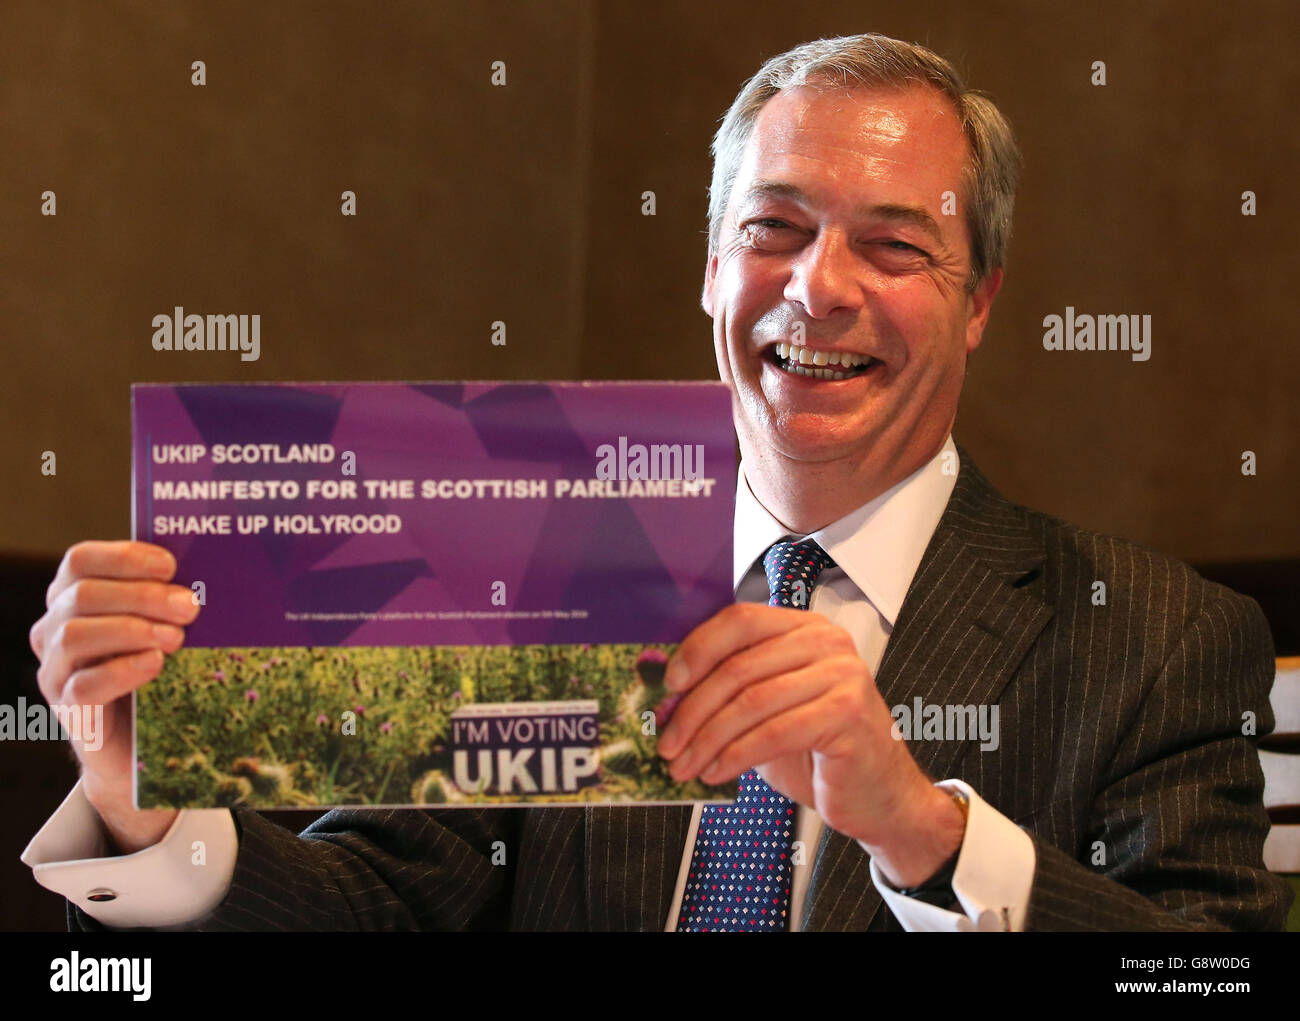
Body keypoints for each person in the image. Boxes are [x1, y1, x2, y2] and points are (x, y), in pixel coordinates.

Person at [22, 32, 1292, 931]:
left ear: (979, 306)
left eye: (894, 243)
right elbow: (386, 904)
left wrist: (923, 830)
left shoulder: (1163, 638)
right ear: (707, 266)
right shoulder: (534, 563)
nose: (818, 286)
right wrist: (150, 809)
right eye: (772, 227)